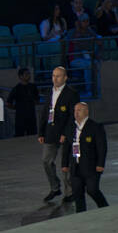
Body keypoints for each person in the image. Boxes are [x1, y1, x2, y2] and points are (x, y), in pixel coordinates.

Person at [39, 66, 79, 202]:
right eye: (53, 76)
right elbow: (45, 112)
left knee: (65, 164)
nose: (55, 78)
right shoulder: (49, 92)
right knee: (46, 160)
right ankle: (55, 187)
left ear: (65, 78)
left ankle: (69, 192)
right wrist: (41, 132)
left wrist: (65, 133)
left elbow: (72, 116)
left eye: (58, 76)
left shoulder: (71, 93)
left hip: (65, 133)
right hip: (50, 132)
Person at [61, 102, 109, 212]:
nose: (76, 113)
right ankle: (81, 215)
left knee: (92, 190)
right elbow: (66, 146)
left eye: (79, 110)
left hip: (91, 166)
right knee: (77, 193)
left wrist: (100, 164)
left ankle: (105, 208)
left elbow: (102, 147)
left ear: (86, 112)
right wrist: (64, 164)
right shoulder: (71, 127)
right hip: (75, 166)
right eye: (75, 111)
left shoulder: (95, 127)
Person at [6, 66, 40, 137]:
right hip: (20, 117)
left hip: (31, 116)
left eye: (29, 74)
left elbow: (37, 99)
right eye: (26, 74)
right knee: (19, 136)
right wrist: (18, 108)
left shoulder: (33, 87)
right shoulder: (16, 89)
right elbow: (8, 103)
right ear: (21, 76)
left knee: (32, 135)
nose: (29, 76)